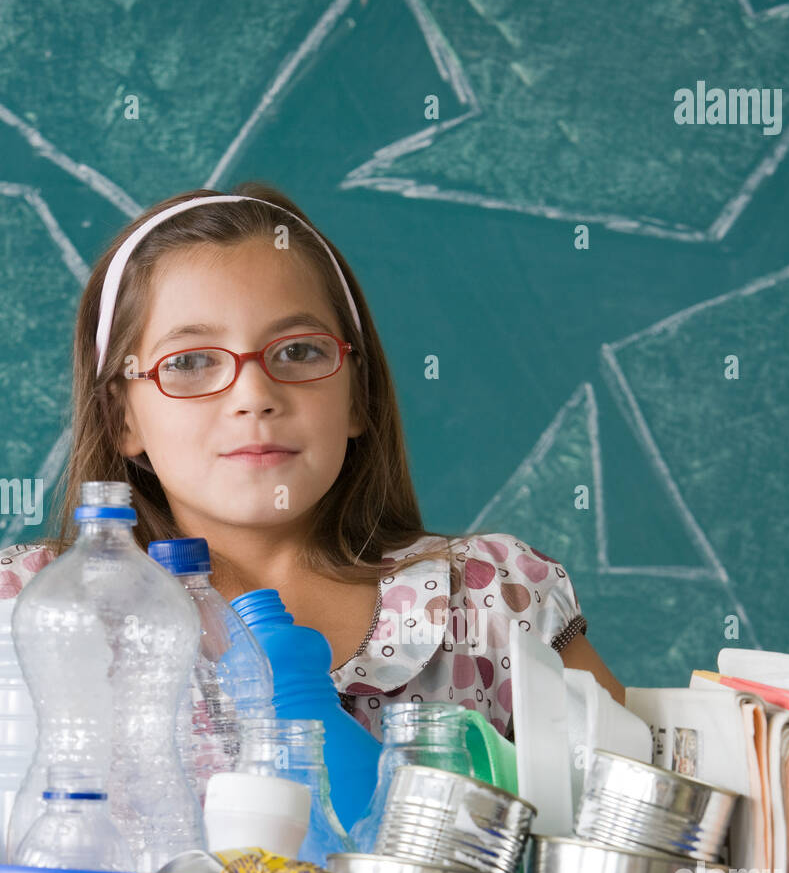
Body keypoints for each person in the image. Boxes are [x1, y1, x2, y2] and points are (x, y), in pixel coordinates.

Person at [0, 181, 624, 740]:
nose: (255, 397)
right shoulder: (31, 609)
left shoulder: (492, 603)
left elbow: (639, 838)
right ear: (121, 418)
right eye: (191, 362)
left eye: (298, 351)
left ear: (358, 396)